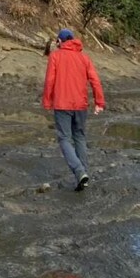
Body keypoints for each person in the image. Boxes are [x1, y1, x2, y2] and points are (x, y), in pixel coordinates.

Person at [41, 28, 104, 190]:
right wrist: (99, 102)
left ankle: (79, 171)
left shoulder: (55, 56)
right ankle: (83, 175)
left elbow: (50, 81)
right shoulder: (84, 58)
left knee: (64, 139)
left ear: (60, 41)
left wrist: (47, 102)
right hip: (80, 105)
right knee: (80, 138)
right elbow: (95, 80)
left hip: (62, 104)